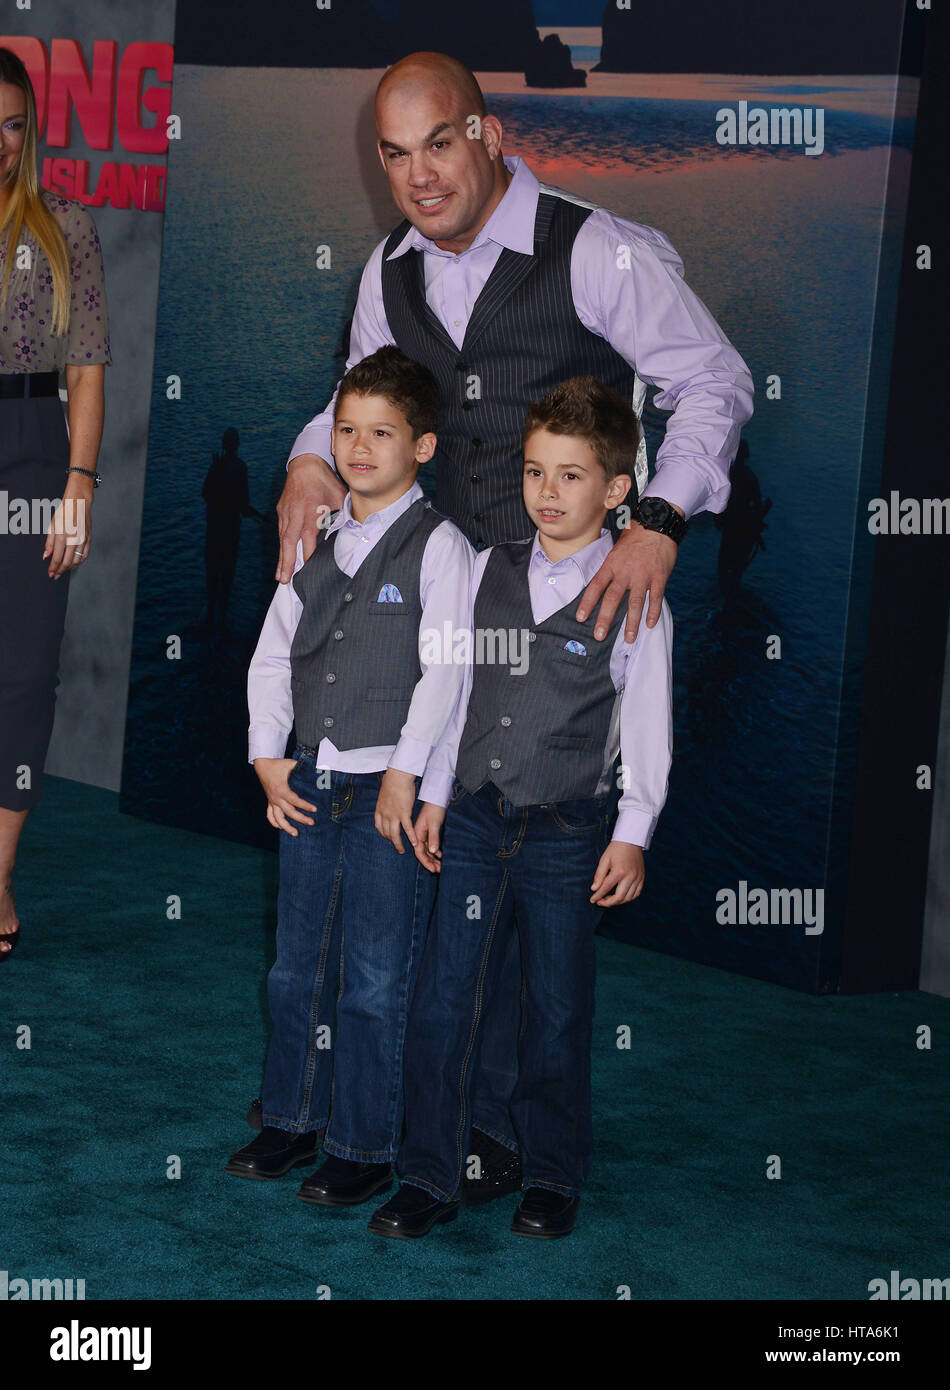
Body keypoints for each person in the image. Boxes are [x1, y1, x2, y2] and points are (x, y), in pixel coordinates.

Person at [272, 49, 752, 1194]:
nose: (419, 175)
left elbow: (714, 378)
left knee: (522, 897)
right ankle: (403, 1128)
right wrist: (307, 461)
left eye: (439, 141)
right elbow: (359, 399)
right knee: (433, 874)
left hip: (564, 618)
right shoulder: (386, 269)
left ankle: (502, 1141)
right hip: (441, 609)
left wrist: (660, 518)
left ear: (487, 135)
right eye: (394, 154)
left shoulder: (595, 247)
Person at [369, 376, 673, 1240]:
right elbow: (458, 691)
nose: (547, 493)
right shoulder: (485, 568)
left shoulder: (635, 596)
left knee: (558, 1008)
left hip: (569, 832)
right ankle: (427, 1173)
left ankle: (550, 1173)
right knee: (443, 999)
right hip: (471, 815)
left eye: (571, 476)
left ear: (617, 490)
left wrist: (633, 832)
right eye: (536, 472)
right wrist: (432, 793)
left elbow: (648, 724)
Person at [226, 347, 474, 1206]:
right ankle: (291, 1118)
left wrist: (408, 777)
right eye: (346, 431)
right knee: (296, 967)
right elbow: (271, 656)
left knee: (373, 979)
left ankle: (364, 1144)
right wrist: (267, 757)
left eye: (382, 433)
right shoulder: (318, 539)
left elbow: (447, 674)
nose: (360, 448)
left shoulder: (442, 548)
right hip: (309, 784)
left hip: (384, 795)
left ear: (425, 447)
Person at [0, 48, 110, 960]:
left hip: (36, 458)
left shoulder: (65, 224)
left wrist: (79, 484)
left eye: (11, 124)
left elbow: (86, 373)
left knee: (26, 675)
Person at [200, 425, 264, 634]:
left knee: (213, 572)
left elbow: (206, 493)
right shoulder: (239, 467)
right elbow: (243, 503)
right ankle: (221, 618)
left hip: (215, 528)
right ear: (237, 445)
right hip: (229, 530)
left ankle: (211, 616)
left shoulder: (217, 466)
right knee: (226, 573)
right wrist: (244, 509)